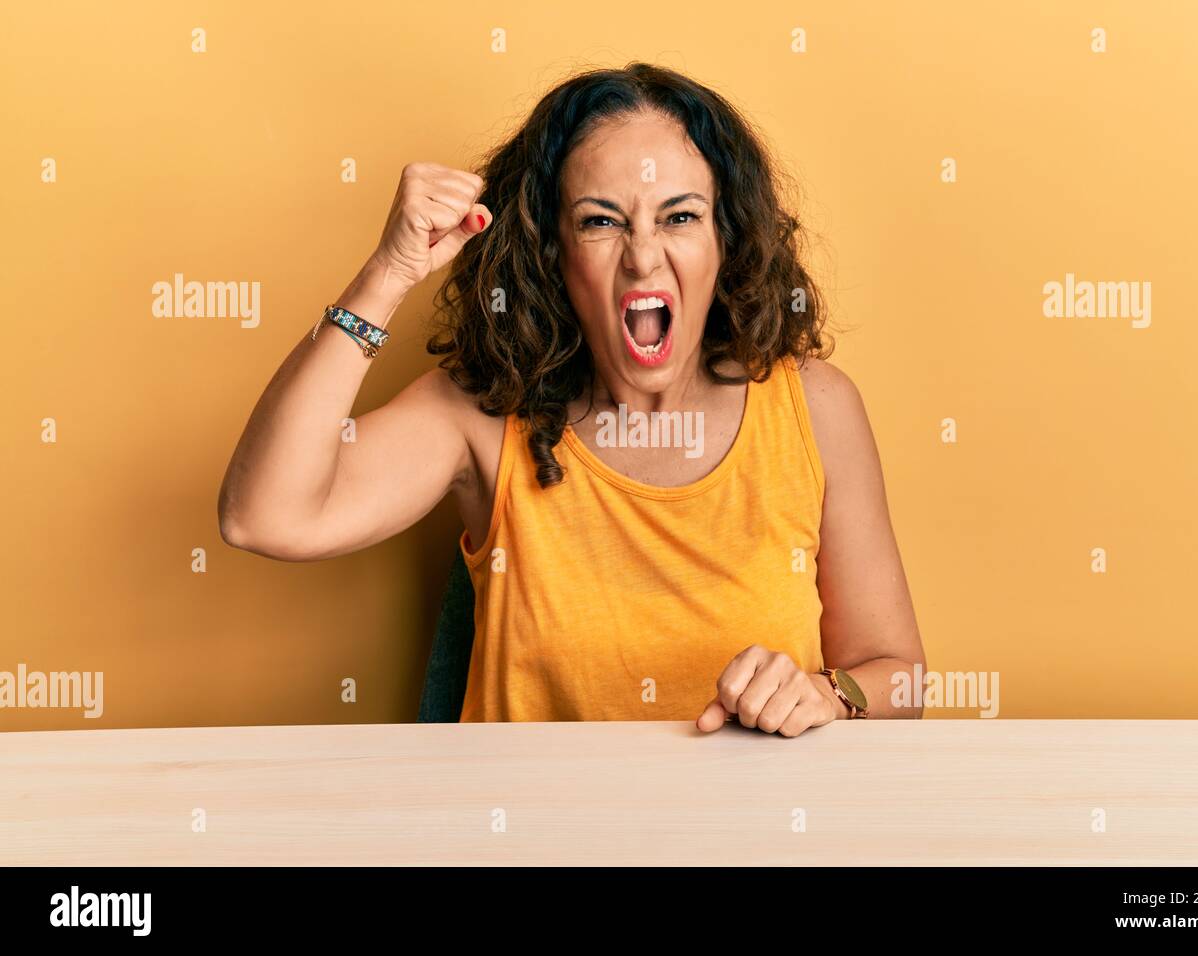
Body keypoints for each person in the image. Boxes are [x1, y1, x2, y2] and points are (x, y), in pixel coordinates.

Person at [218, 62, 925, 737]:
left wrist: (830, 695)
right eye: (600, 221)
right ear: (550, 253)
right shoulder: (482, 413)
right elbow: (263, 517)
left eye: (679, 217)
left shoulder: (816, 407)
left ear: (726, 240)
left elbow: (901, 677)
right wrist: (387, 274)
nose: (643, 257)